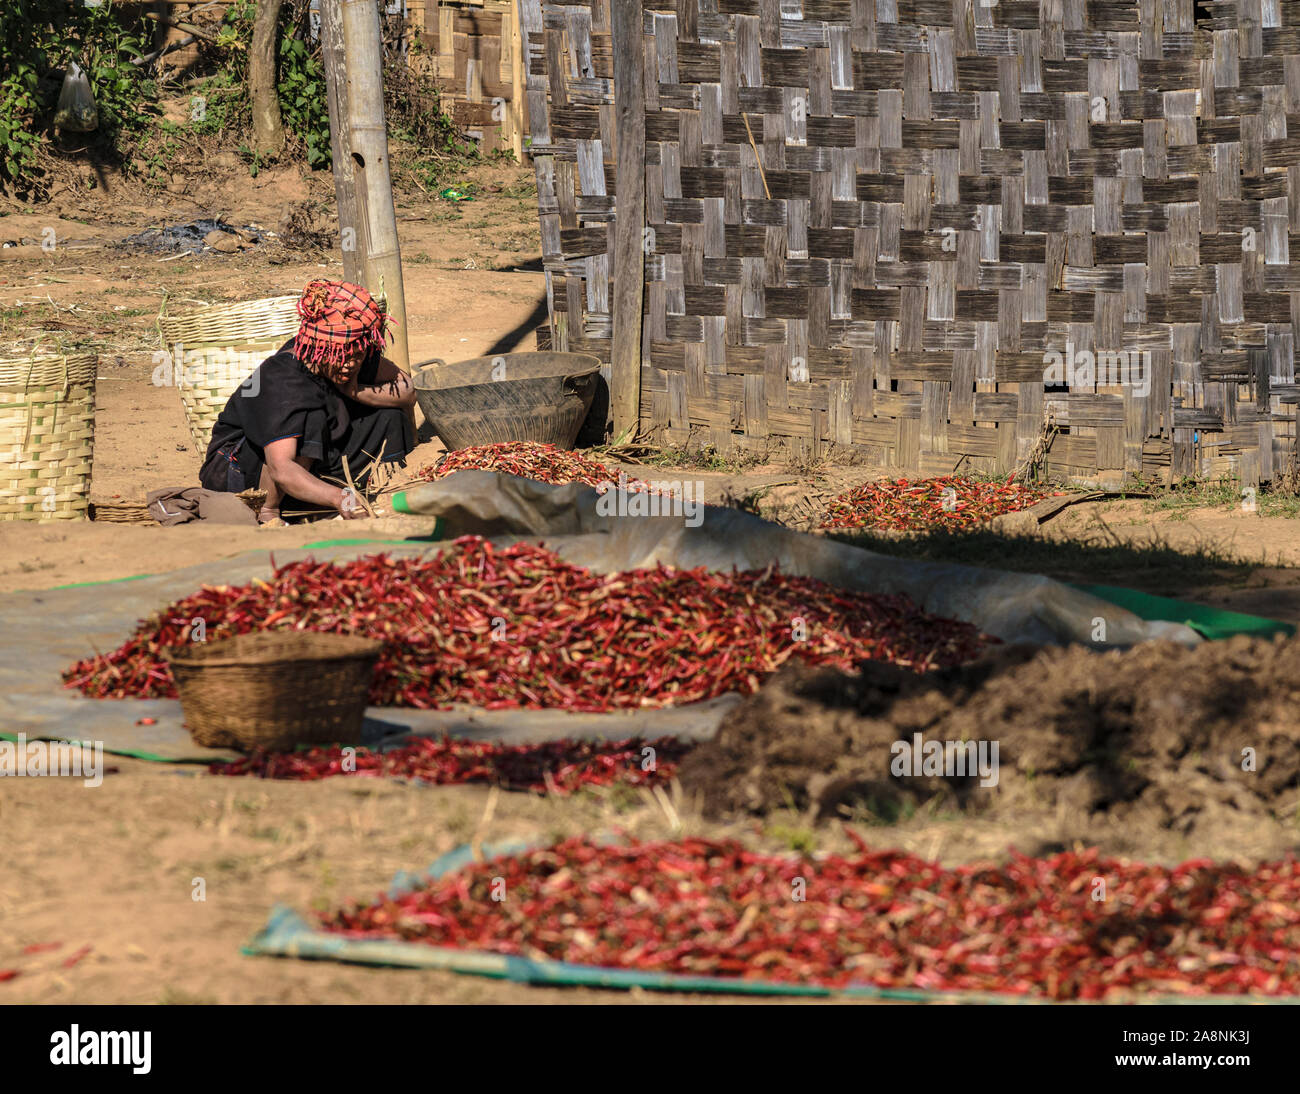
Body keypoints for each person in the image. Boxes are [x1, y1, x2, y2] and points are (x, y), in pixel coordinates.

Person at [199, 279, 416, 524]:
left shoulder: (348, 352)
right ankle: (269, 512)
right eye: (343, 357)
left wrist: (353, 391)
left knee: (388, 413)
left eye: (358, 356)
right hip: (237, 470)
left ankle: (319, 496)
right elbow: (281, 468)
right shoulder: (283, 379)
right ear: (318, 347)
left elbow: (407, 390)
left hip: (299, 461)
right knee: (314, 417)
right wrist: (339, 498)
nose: (351, 364)